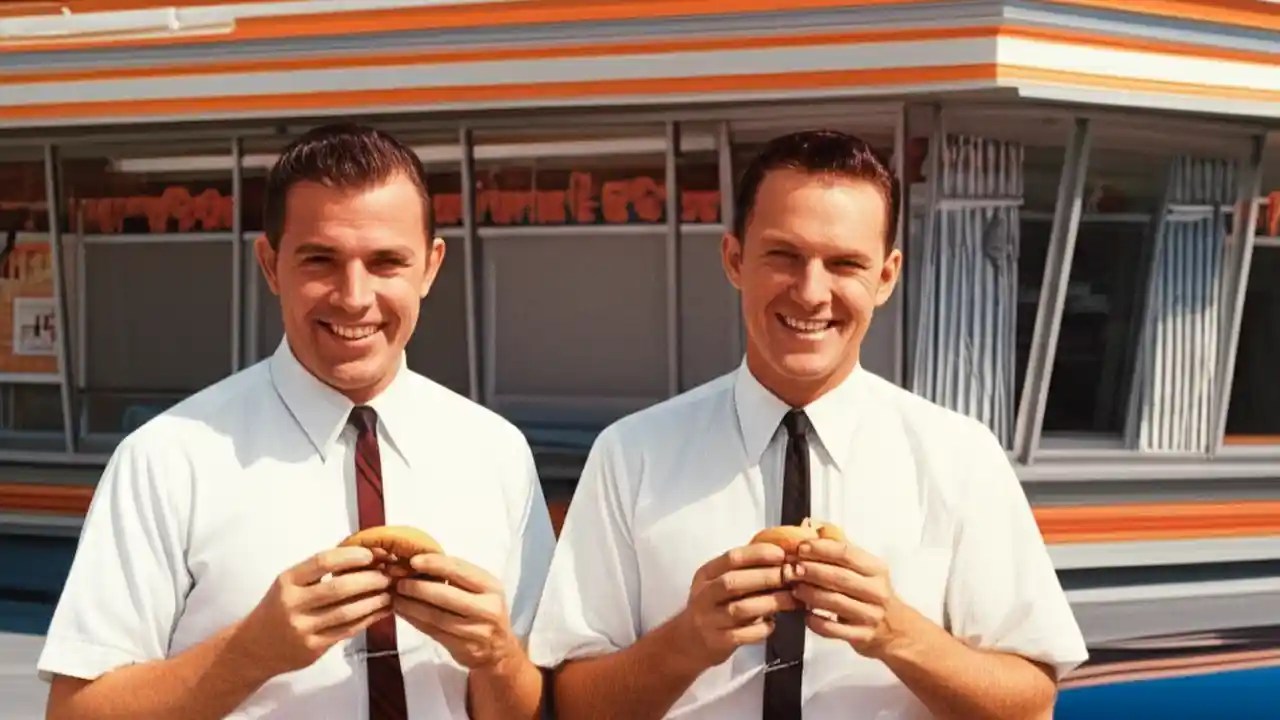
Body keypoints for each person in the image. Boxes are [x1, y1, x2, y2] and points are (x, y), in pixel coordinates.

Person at [527, 129, 1088, 719]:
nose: (811, 292)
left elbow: (1030, 703)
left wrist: (899, 634)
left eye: (845, 263)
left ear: (887, 277)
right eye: (784, 256)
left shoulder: (960, 458)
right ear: (735, 260)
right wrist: (687, 641)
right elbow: (572, 706)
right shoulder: (630, 455)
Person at [37, 123, 555, 720]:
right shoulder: (167, 460)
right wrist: (250, 652)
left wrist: (496, 658)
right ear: (270, 264)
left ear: (430, 268)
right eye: (320, 260)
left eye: (387, 262)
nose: (354, 297)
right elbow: (74, 713)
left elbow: (529, 708)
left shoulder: (497, 453)